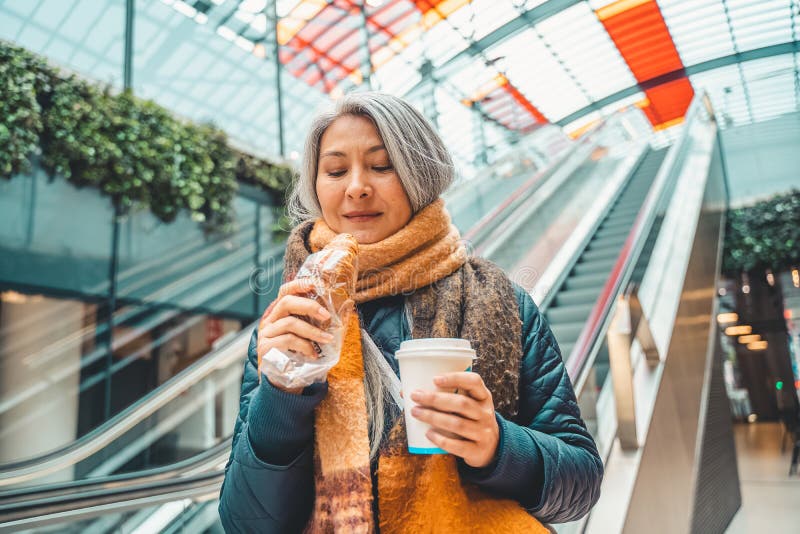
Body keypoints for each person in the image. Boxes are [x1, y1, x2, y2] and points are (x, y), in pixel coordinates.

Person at [218, 92, 602, 533]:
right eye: (336, 170)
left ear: (420, 175)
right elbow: (245, 524)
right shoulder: (292, 322)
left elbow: (582, 484)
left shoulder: (505, 304)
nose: (357, 186)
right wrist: (282, 394)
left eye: (382, 166)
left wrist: (498, 446)